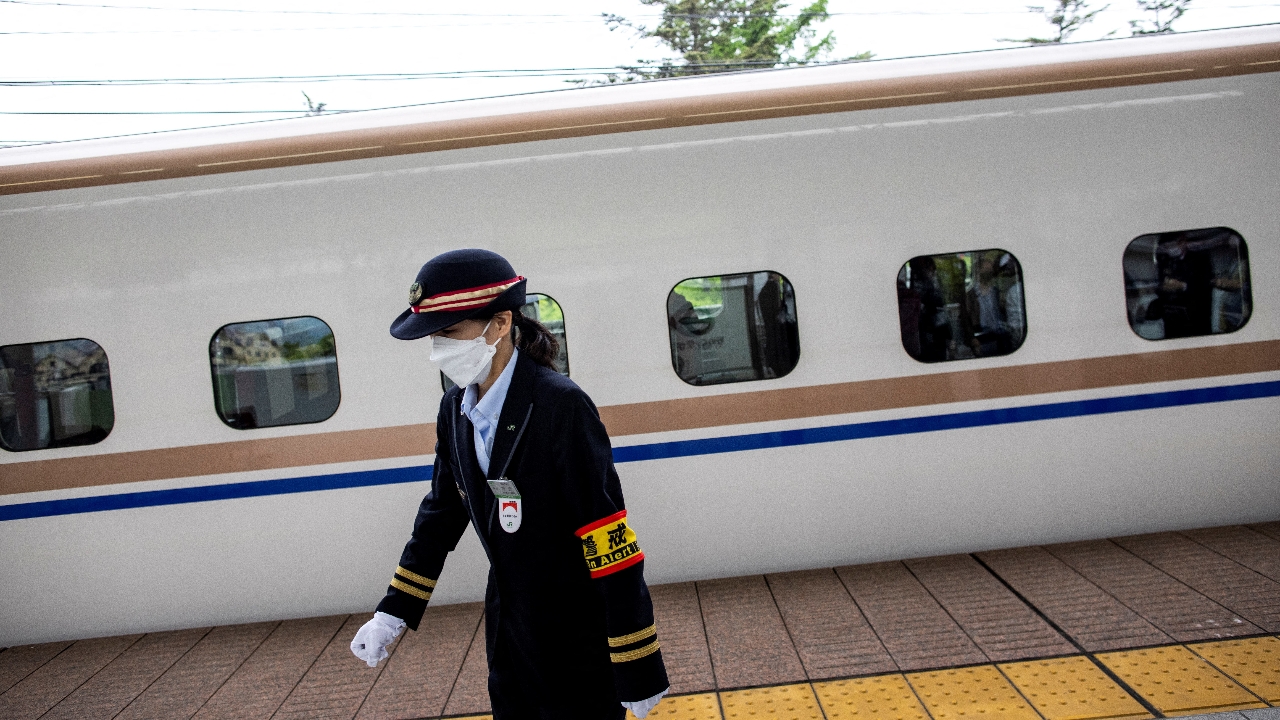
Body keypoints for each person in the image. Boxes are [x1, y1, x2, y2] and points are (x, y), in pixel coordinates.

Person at [349, 249, 669, 719]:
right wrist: (394, 611)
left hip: (577, 637)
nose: (438, 349)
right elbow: (441, 512)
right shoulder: (454, 409)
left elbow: (607, 536)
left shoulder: (560, 406)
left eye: (448, 333)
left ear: (499, 324)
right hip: (508, 632)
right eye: (434, 336)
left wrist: (637, 660)